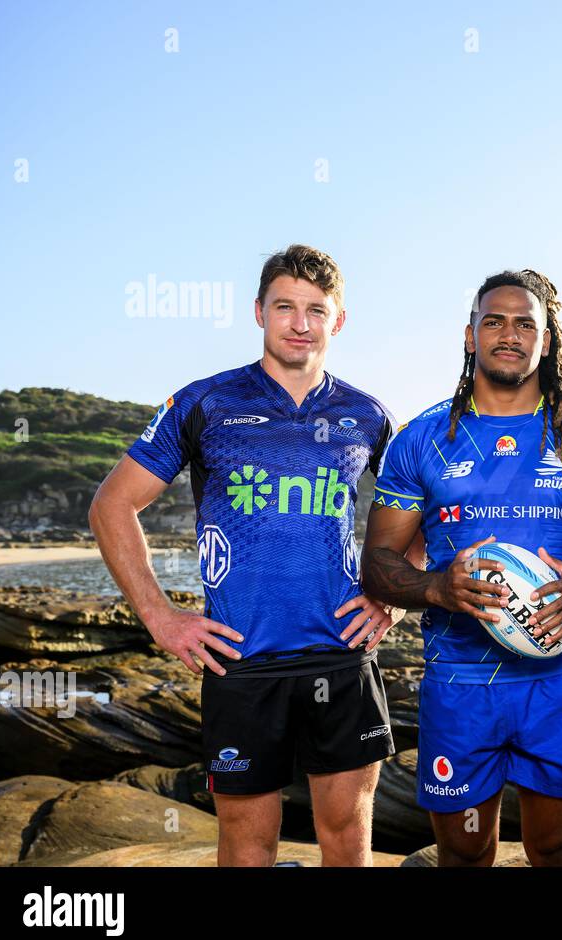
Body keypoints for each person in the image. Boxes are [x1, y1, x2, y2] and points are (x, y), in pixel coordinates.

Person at [89, 244, 398, 867]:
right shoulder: (205, 403)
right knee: (248, 849)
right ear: (259, 311)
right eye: (285, 306)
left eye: (316, 310)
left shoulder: (367, 415)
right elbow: (112, 506)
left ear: (338, 321)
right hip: (241, 660)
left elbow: (418, 512)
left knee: (346, 840)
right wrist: (160, 618)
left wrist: (390, 596)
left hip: (340, 654)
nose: (300, 323)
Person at [361, 269, 562, 867]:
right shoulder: (422, 439)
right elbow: (378, 564)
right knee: (464, 857)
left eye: (526, 323)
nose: (509, 334)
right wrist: (437, 586)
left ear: (547, 341)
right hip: (460, 688)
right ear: (470, 335)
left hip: (558, 686)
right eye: (494, 321)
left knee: (554, 850)